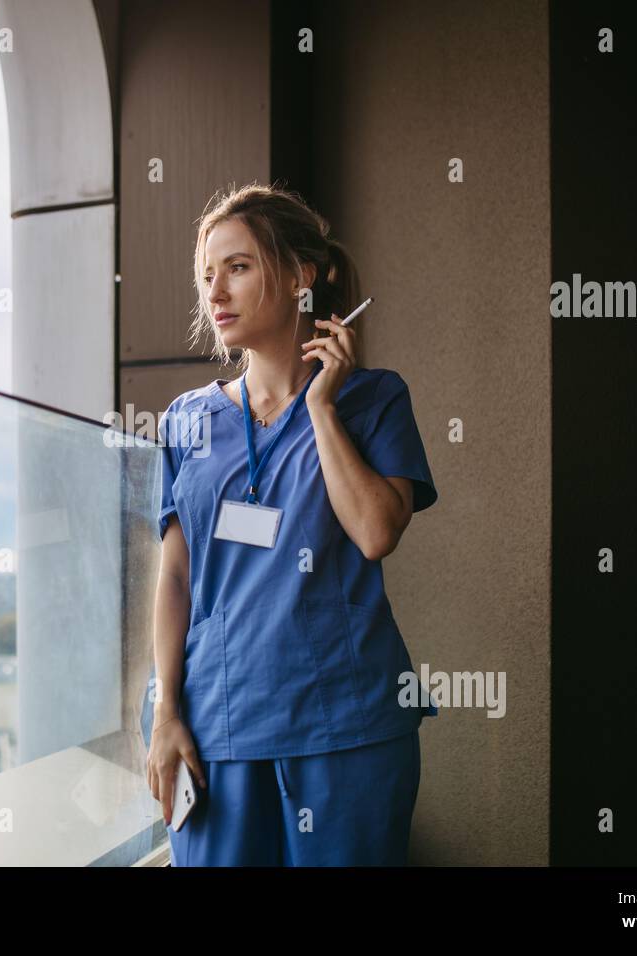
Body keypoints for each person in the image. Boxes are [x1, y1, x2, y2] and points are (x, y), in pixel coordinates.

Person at [140, 182, 439, 866]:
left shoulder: (372, 400)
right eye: (207, 275)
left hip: (345, 727)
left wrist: (322, 408)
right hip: (215, 726)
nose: (215, 292)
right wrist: (164, 711)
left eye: (238, 268)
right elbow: (176, 574)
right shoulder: (187, 419)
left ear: (302, 275)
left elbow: (375, 532)